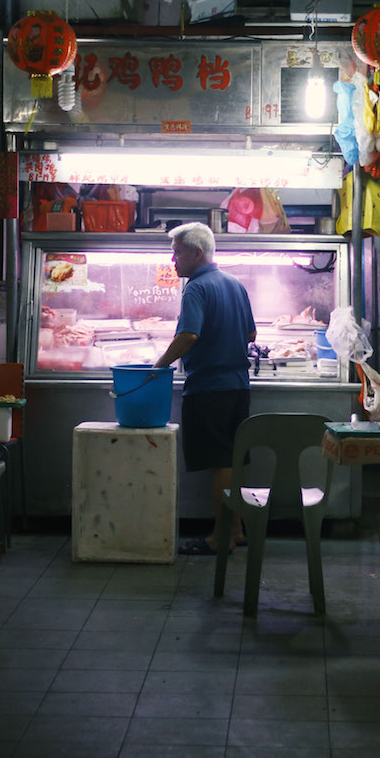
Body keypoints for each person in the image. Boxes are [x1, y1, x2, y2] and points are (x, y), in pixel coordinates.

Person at [153, 222, 256, 556]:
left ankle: (221, 536)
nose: (173, 260)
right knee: (231, 459)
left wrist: (159, 366)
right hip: (238, 387)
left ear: (197, 253)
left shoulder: (196, 288)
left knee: (220, 462)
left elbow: (188, 335)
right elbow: (251, 335)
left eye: (177, 252)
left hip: (210, 388)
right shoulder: (234, 283)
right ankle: (237, 530)